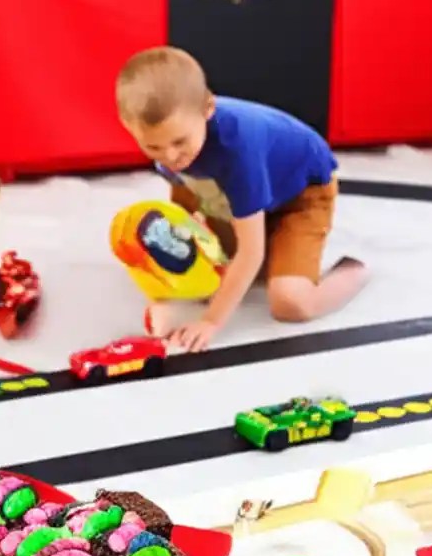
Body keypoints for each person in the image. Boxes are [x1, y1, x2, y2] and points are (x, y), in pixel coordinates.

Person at [115, 46, 369, 352]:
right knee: (210, 270)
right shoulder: (174, 145)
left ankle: (355, 271)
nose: (169, 156)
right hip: (236, 189)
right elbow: (177, 219)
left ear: (208, 110)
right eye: (153, 148)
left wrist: (211, 321)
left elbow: (251, 252)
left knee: (290, 301)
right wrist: (166, 292)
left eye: (179, 142)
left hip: (301, 194)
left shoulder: (237, 150)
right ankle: (266, 239)